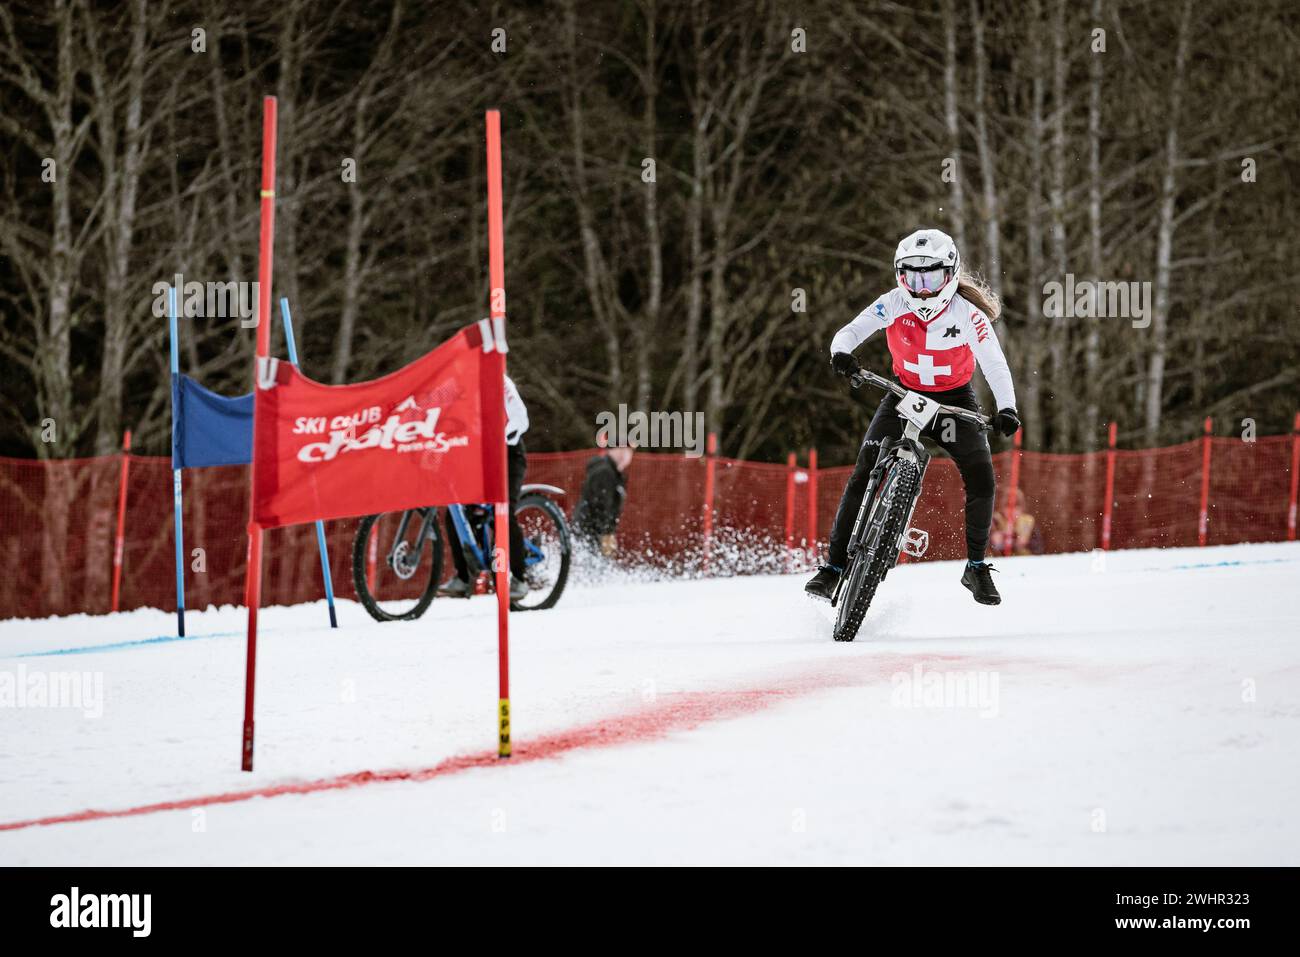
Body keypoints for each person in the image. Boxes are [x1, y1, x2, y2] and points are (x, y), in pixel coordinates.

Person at [804, 228, 1021, 606]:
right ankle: (833, 569)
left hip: (955, 402)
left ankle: (976, 565)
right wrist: (842, 353)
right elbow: (850, 332)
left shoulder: (969, 315)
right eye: (912, 277)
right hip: (903, 395)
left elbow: (995, 365)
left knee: (982, 478)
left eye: (931, 277)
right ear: (899, 276)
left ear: (950, 273)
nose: (921, 288)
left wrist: (1007, 408)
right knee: (862, 472)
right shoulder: (892, 303)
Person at [439, 375, 530, 600]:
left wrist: (499, 436)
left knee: (503, 513)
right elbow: (431, 405)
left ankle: (520, 577)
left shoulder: (500, 380)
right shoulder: (456, 381)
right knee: (456, 512)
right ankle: (463, 576)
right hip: (478, 456)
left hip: (508, 454)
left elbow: (521, 418)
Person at [573, 443, 633, 555]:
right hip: (590, 530)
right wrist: (605, 533)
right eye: (623, 449)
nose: (626, 455)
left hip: (596, 530)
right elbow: (600, 505)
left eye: (629, 451)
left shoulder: (615, 474)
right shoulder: (605, 472)